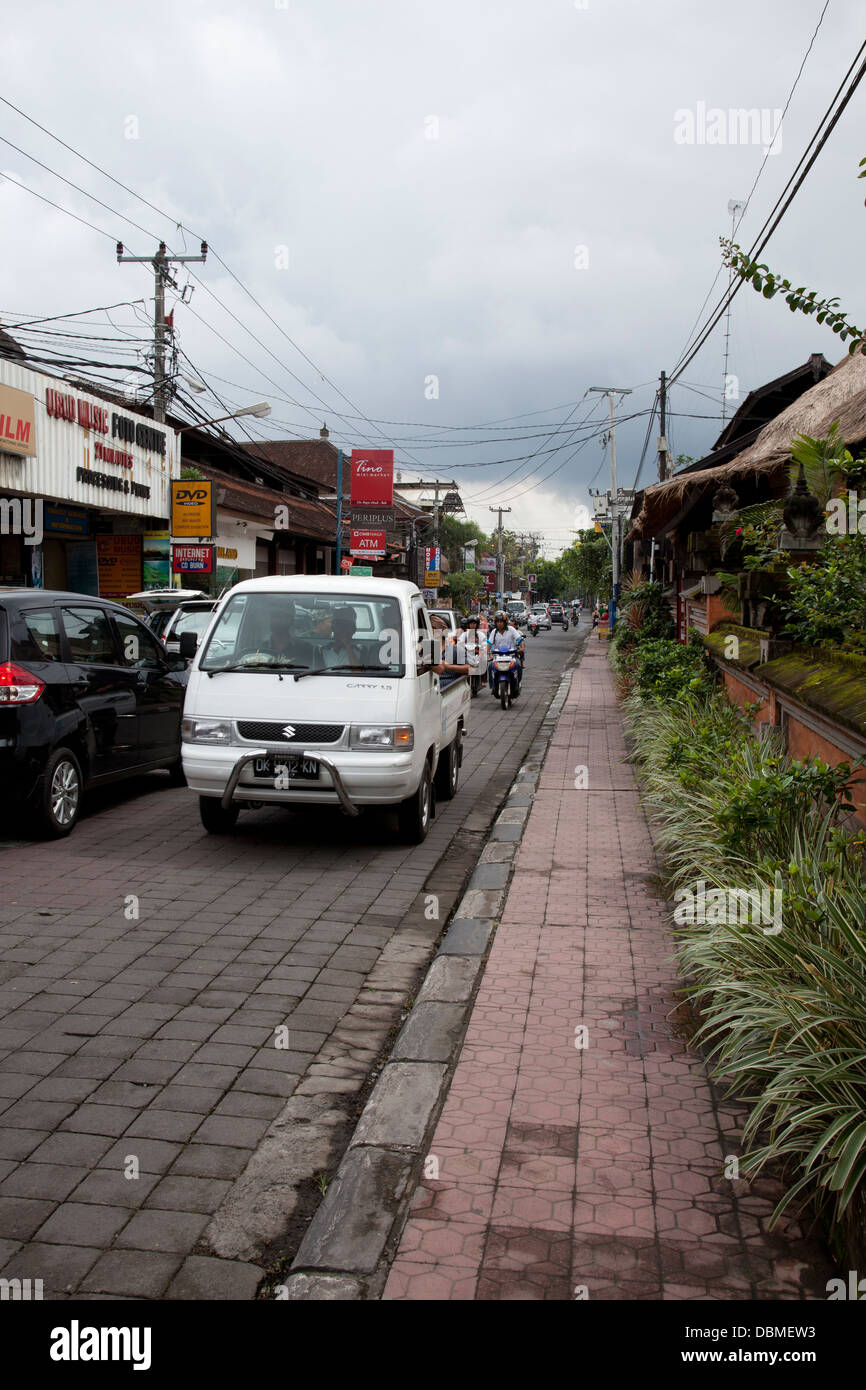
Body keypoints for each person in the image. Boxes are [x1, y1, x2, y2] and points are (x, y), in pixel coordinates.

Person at [430, 612, 472, 685]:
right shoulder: (425, 650)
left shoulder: (455, 649)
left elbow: (469, 668)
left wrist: (448, 666)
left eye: (432, 629)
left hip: (449, 688)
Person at [487, 610, 524, 689]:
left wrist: (522, 648)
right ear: (495, 623)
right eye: (498, 622)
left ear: (505, 622)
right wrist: (487, 653)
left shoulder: (511, 629)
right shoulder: (494, 632)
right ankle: (493, 686)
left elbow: (520, 639)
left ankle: (518, 683)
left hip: (511, 656)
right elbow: (489, 644)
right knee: (490, 667)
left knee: (518, 665)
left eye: (501, 621)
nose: (499, 623)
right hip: (498, 657)